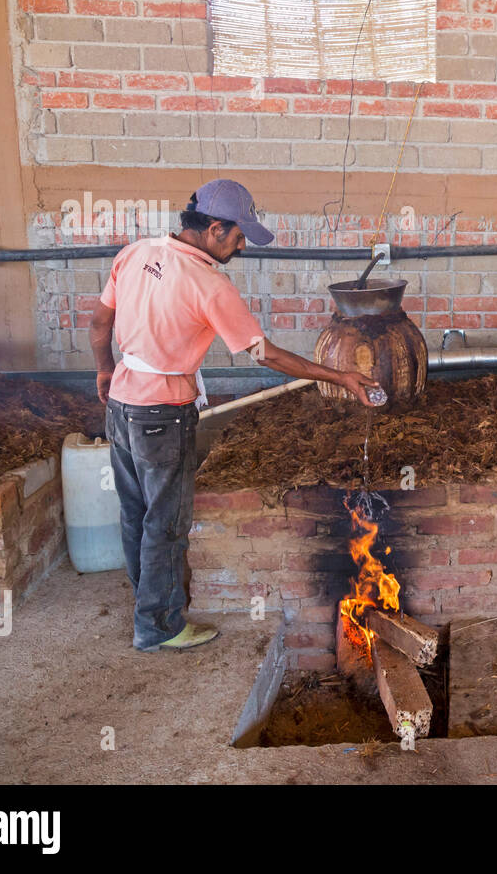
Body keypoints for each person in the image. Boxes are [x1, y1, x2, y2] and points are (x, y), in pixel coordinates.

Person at [89, 179, 377, 652]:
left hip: (121, 404)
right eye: (240, 235)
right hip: (162, 414)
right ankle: (157, 626)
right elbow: (266, 355)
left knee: (135, 514)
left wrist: (104, 370)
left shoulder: (136, 253)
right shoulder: (208, 283)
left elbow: (100, 322)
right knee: (166, 524)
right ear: (216, 228)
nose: (242, 246)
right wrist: (339, 376)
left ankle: (149, 605)